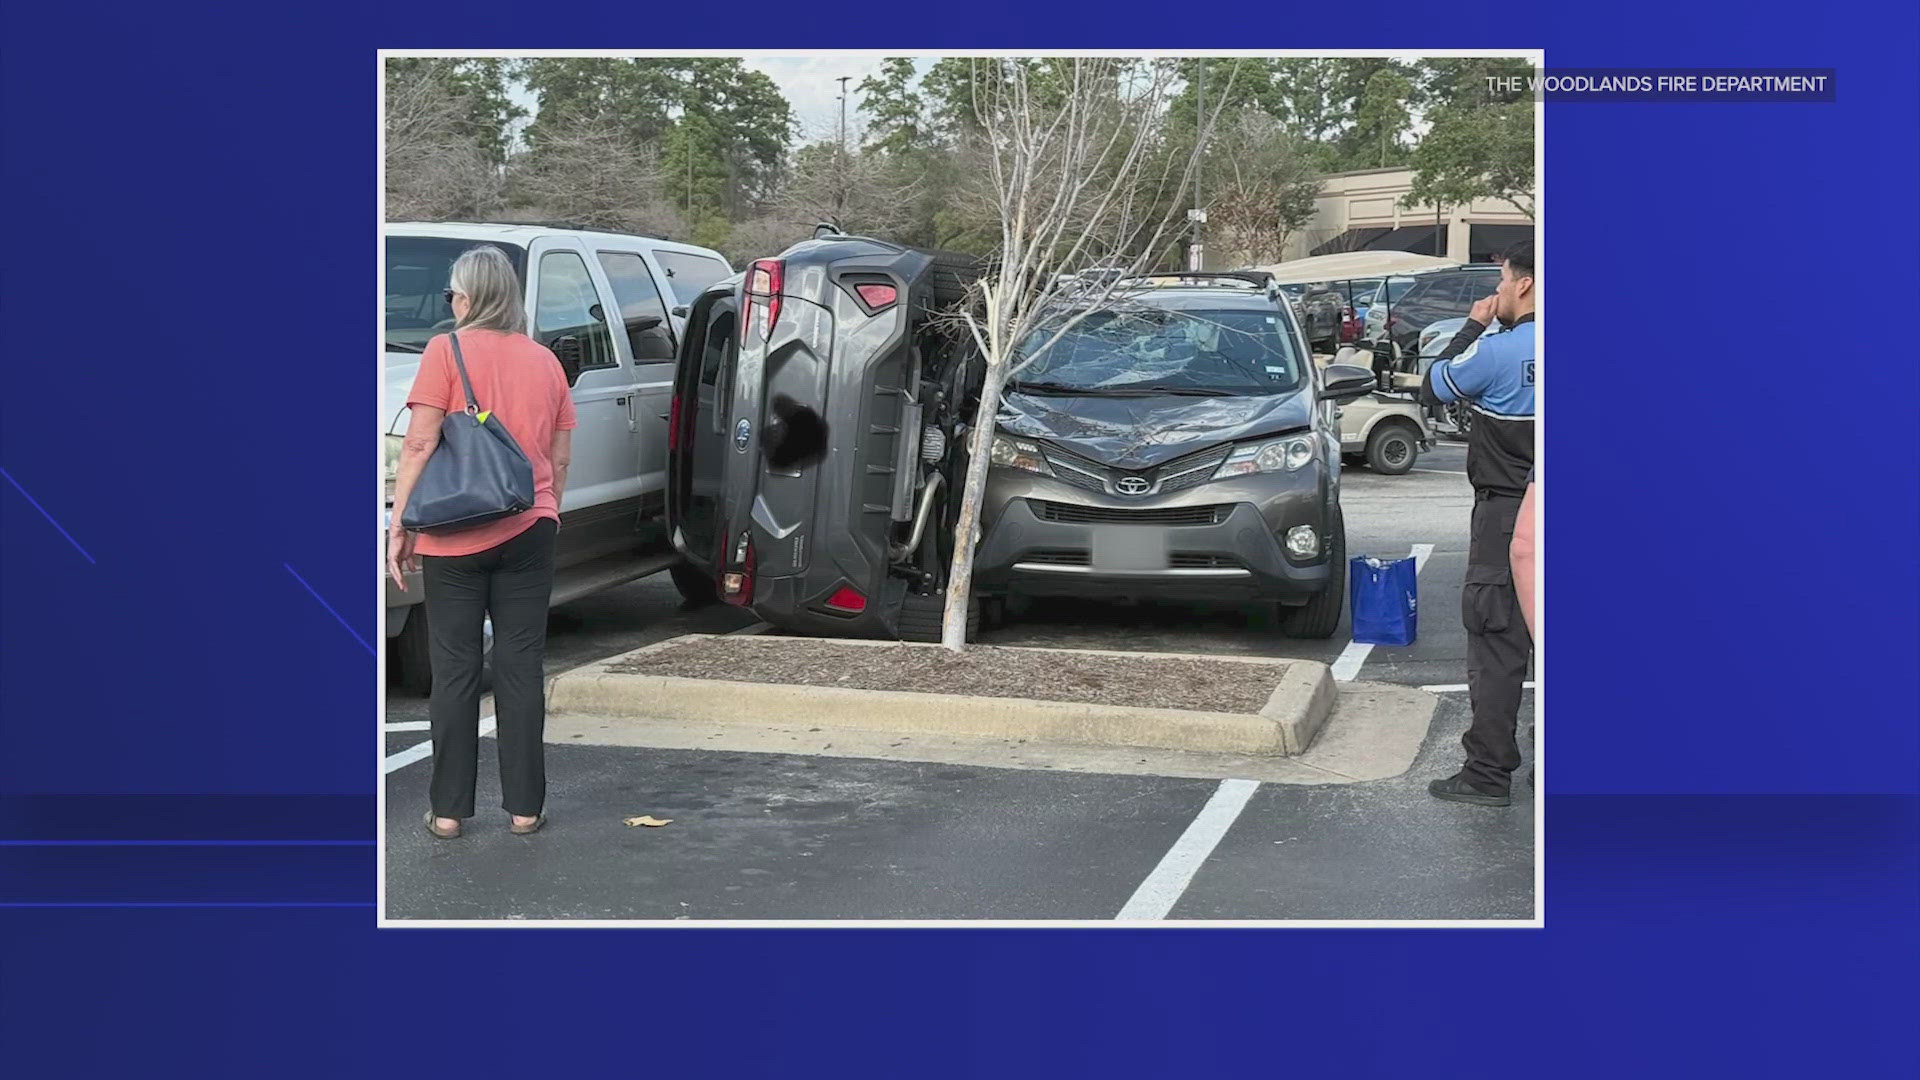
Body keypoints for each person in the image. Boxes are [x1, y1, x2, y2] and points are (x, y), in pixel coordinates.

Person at [387, 245, 575, 839]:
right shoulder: (545, 361)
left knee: (456, 669)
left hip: (454, 536)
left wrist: (401, 523)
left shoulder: (445, 351)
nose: (451, 304)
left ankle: (447, 813)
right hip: (530, 526)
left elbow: (418, 445)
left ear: (466, 298)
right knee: (521, 666)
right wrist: (548, 510)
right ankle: (524, 809)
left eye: (451, 295)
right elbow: (559, 453)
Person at [1422, 240, 1536, 808]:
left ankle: (1487, 774)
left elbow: (1435, 384)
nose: (1498, 291)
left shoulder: (1500, 351)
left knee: (1496, 641)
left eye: (1502, 279)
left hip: (1508, 513)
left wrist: (1473, 325)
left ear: (1525, 284)